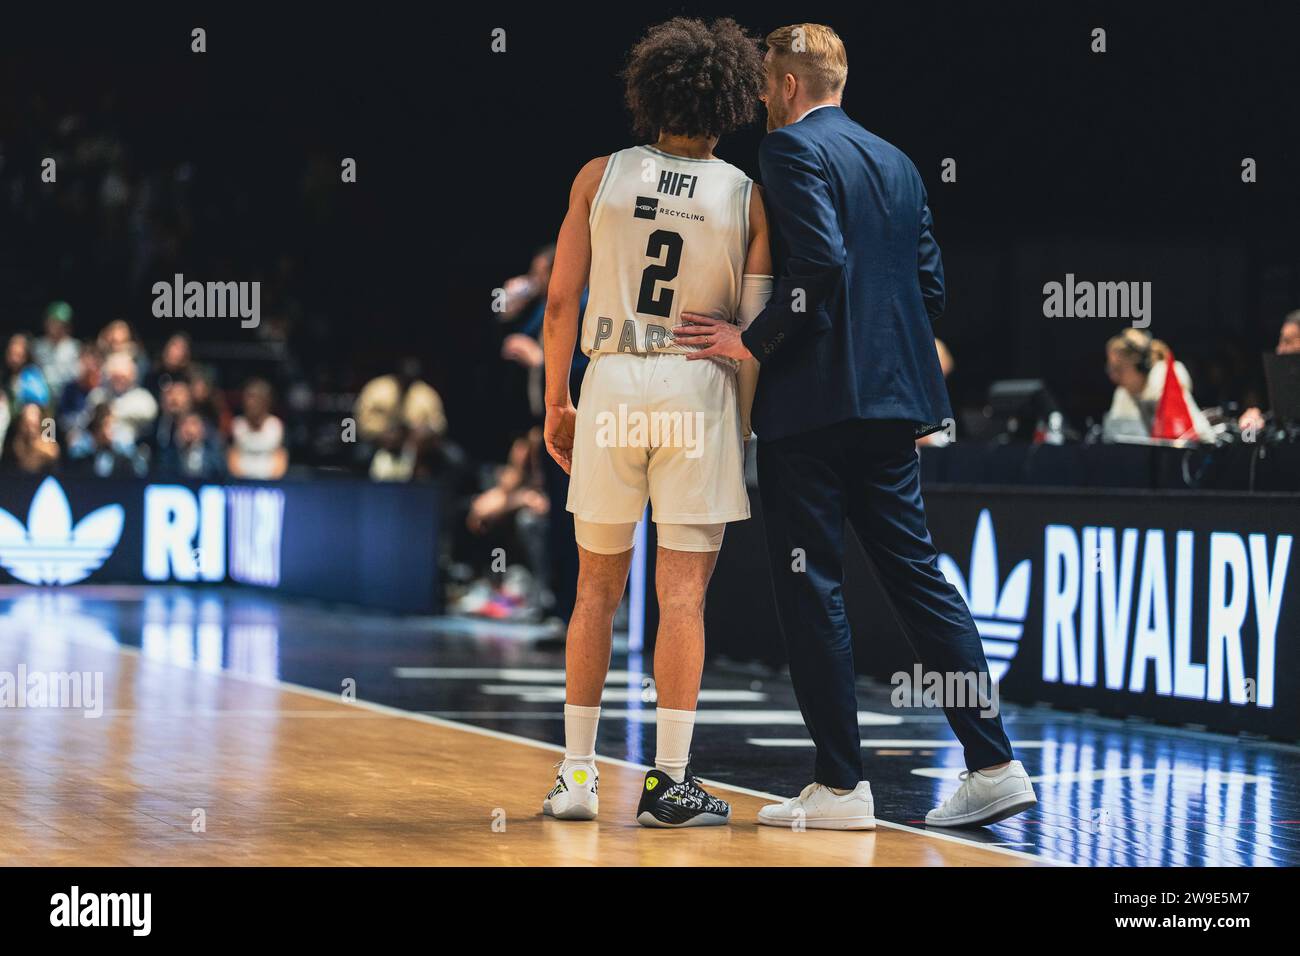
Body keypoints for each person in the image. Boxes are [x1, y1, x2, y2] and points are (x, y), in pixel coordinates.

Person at [677, 22, 1035, 829]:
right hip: (895, 404)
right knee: (920, 580)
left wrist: (750, 340)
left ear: (791, 86)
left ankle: (840, 786)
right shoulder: (900, 163)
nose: (762, 99)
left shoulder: (790, 152)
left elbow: (824, 266)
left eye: (767, 84)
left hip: (813, 405)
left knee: (814, 588)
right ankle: (993, 760)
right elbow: (929, 291)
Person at [540, 16, 770, 827]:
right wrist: (742, 426)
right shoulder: (745, 193)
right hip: (697, 388)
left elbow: (562, 299)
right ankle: (669, 782)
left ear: (651, 95)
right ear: (731, 101)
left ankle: (575, 777)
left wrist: (558, 400)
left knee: (594, 589)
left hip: (611, 378)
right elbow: (758, 326)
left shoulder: (599, 175)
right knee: (683, 597)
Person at [1103, 328, 1214, 442]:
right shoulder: (1124, 393)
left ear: (1141, 367)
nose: (1113, 377)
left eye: (1119, 369)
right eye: (1110, 369)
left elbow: (1183, 438)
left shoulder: (1166, 384)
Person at [1238, 311, 1300, 433]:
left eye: (1288, 341)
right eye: (1281, 341)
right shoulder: (1283, 393)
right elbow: (1250, 441)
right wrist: (1249, 428)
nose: (1279, 350)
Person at [228, 379, 287, 479]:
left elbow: (281, 457)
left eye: (256, 399)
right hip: (242, 485)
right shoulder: (238, 424)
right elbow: (232, 457)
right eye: (248, 399)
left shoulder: (275, 425)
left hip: (270, 485)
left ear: (265, 401)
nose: (251, 404)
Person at [32, 301, 82, 398]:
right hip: (44, 396)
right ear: (46, 322)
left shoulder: (75, 347)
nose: (57, 327)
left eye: (61, 323)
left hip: (68, 397)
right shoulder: (38, 346)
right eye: (54, 322)